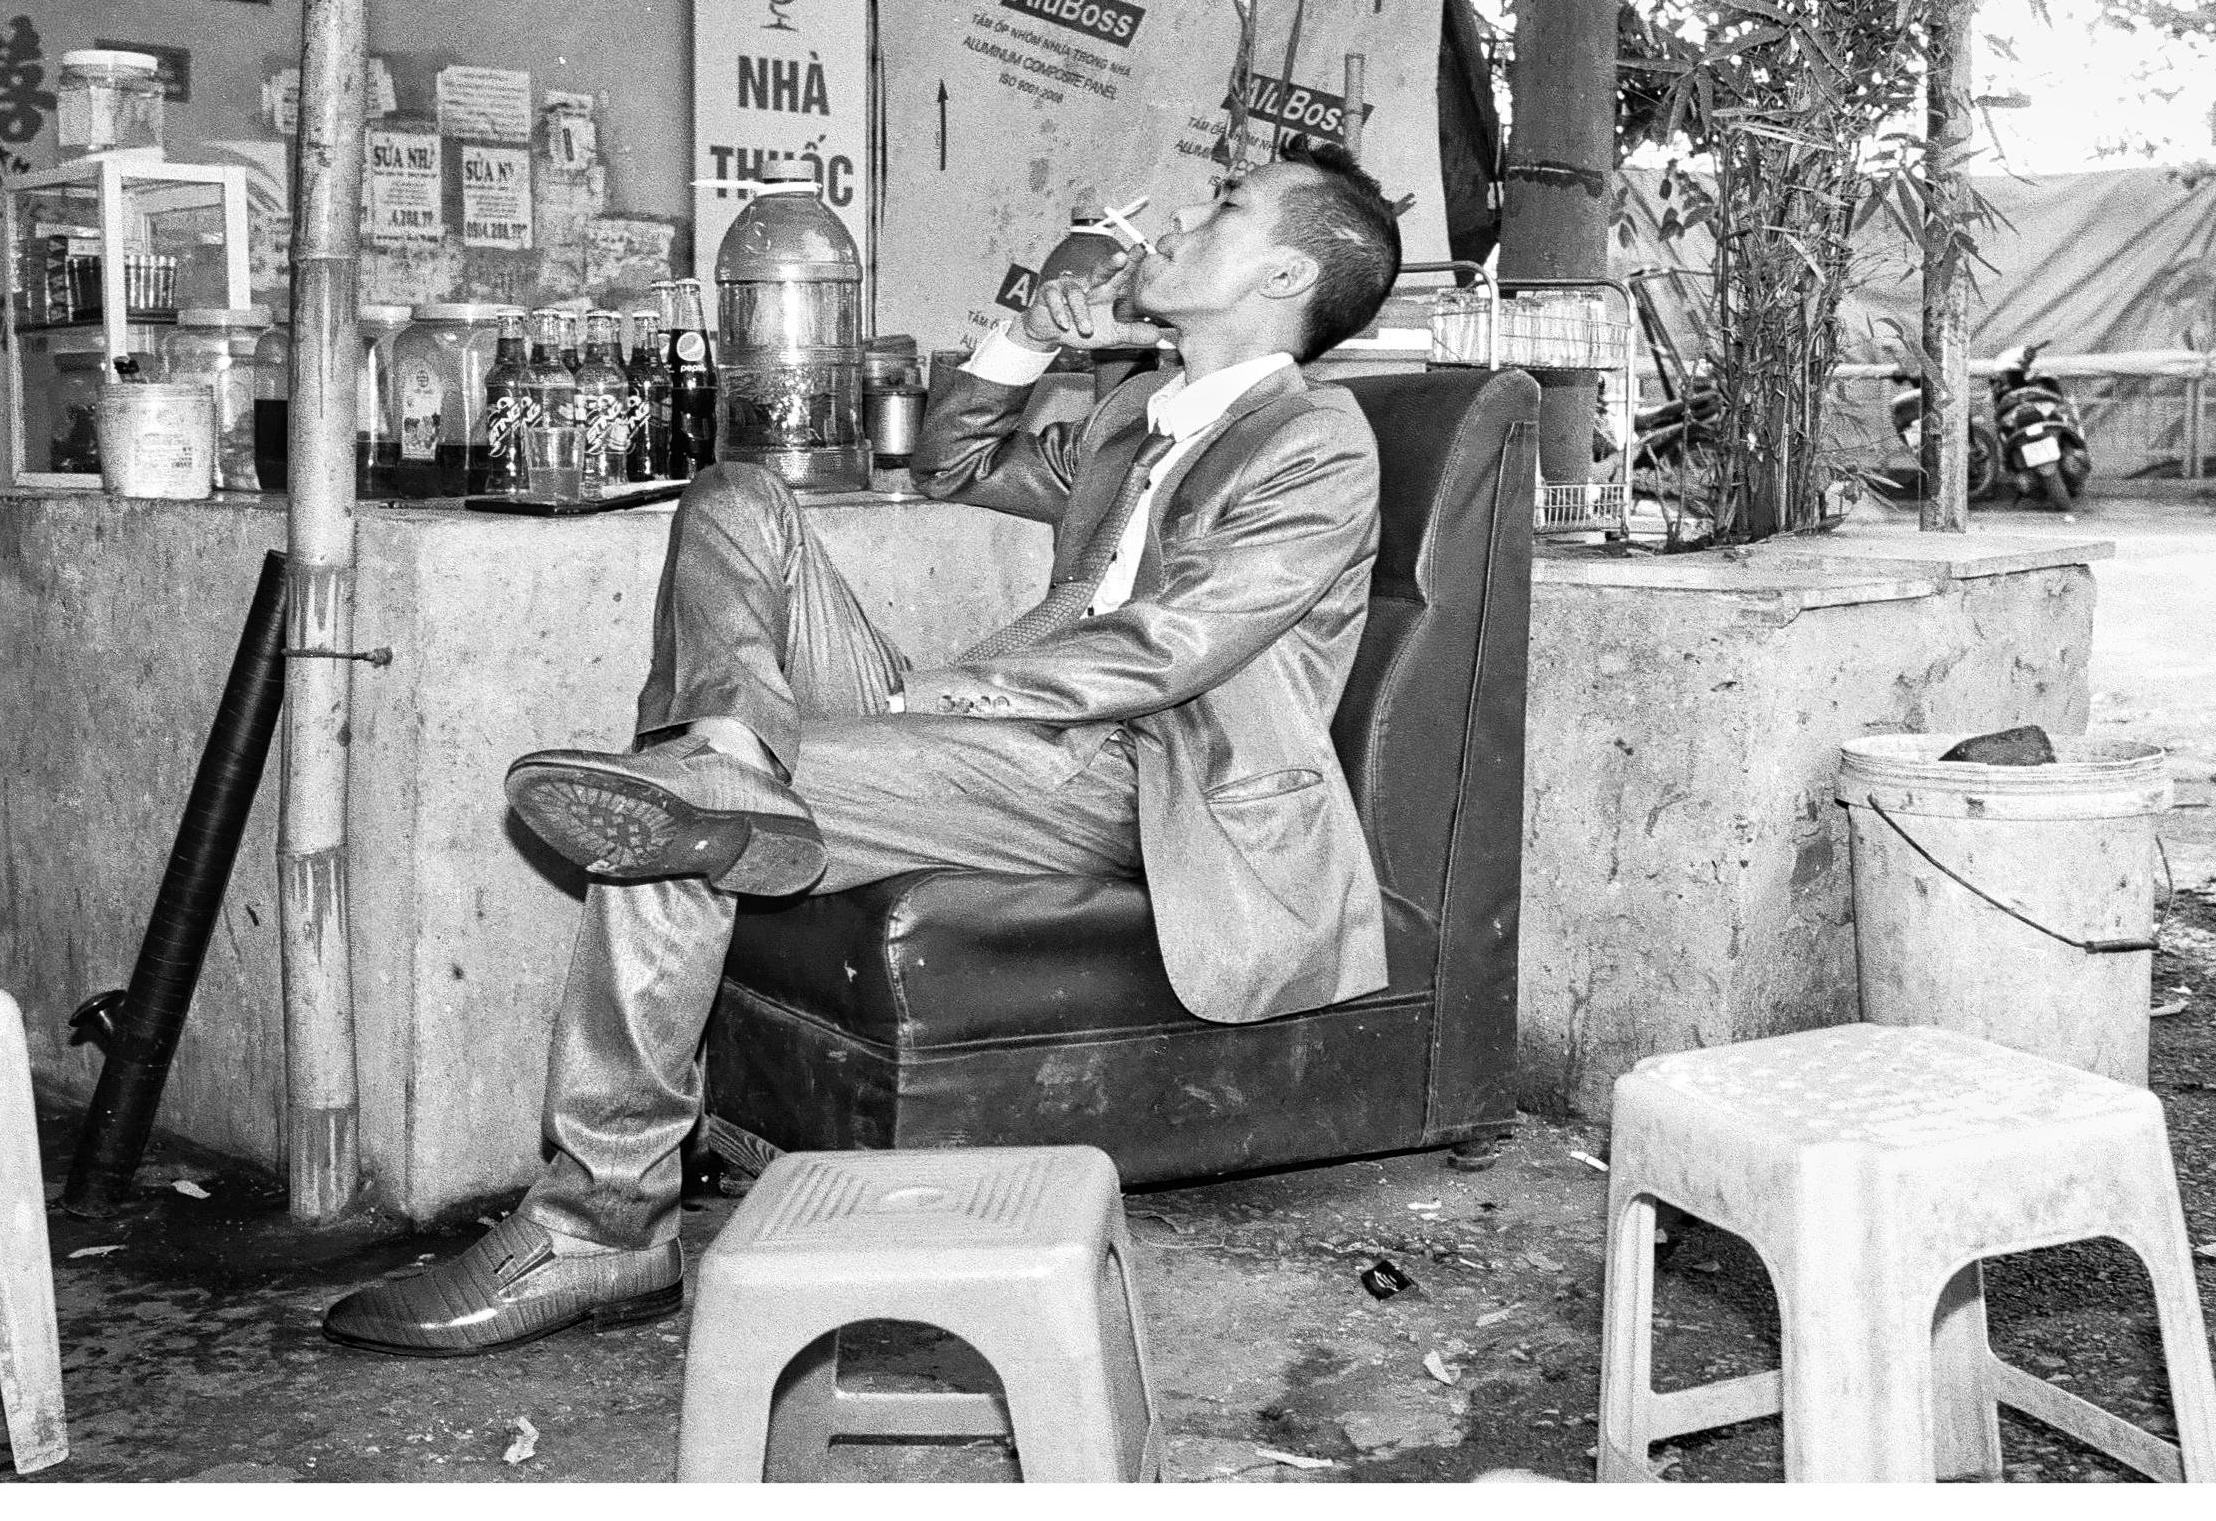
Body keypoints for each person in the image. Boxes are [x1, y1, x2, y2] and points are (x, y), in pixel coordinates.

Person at [321, 138, 1405, 1357]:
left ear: (1285, 279)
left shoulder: (1317, 442)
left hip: (1139, 774)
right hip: (1004, 741)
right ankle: (729, 752)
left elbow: (1173, 645)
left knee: (678, 814)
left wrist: (938, 699)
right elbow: (947, 460)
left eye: (1228, 208)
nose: (1191, 220)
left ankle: (602, 1224)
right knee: (737, 499)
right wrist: (1029, 342)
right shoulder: (1133, 417)